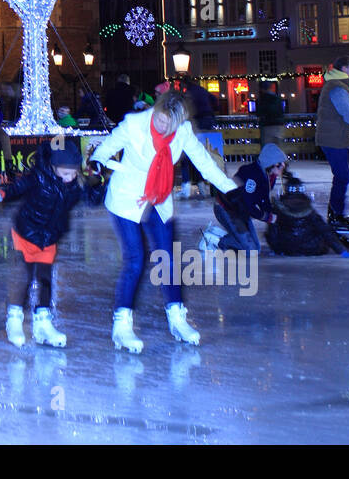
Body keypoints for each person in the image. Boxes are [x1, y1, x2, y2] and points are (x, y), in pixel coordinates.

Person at [90, 88, 238, 353]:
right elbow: (105, 148)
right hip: (128, 199)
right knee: (135, 259)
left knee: (168, 258)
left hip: (158, 199)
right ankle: (121, 325)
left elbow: (204, 163)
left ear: (179, 122)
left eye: (168, 123)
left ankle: (177, 318)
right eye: (159, 118)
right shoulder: (134, 124)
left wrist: (230, 189)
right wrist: (97, 163)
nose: (161, 125)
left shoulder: (182, 132)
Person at [0, 142, 105, 347]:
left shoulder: (76, 184)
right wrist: (3, 194)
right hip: (25, 232)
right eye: (65, 173)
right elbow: (18, 187)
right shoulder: (39, 176)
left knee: (44, 279)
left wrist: (102, 183)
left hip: (49, 237)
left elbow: (92, 198)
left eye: (72, 173)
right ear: (54, 167)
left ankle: (43, 322)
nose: (69, 178)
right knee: (23, 277)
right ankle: (14, 320)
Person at [313, 55, 349, 233]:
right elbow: (348, 115)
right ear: (344, 69)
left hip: (338, 137)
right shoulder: (337, 88)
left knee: (343, 176)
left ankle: (336, 214)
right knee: (342, 176)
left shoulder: (340, 86)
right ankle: (335, 216)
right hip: (333, 139)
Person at [209, 142, 287, 253]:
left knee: (256, 249)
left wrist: (272, 215)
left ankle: (229, 236)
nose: (283, 166)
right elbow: (247, 205)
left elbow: (263, 200)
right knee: (251, 250)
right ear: (270, 164)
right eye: (280, 164)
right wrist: (268, 218)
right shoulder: (252, 175)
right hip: (227, 209)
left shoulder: (269, 176)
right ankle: (215, 240)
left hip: (241, 211)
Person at [265, 179, 349, 257]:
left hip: (287, 249)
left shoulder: (277, 209)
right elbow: (326, 232)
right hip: (312, 249)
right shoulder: (310, 211)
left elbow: (272, 232)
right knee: (329, 229)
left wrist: (277, 250)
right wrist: (342, 251)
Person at [179, 76, 218, 198]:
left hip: (197, 124)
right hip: (209, 122)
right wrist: (212, 111)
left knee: (187, 155)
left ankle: (187, 186)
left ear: (184, 85)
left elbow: (185, 110)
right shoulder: (202, 90)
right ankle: (204, 185)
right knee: (202, 155)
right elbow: (215, 100)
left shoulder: (188, 94)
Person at [254, 79, 286, 146]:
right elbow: (281, 111)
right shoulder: (277, 98)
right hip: (279, 126)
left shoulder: (262, 99)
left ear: (262, 89)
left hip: (267, 126)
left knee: (267, 148)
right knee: (278, 147)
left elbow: (259, 113)